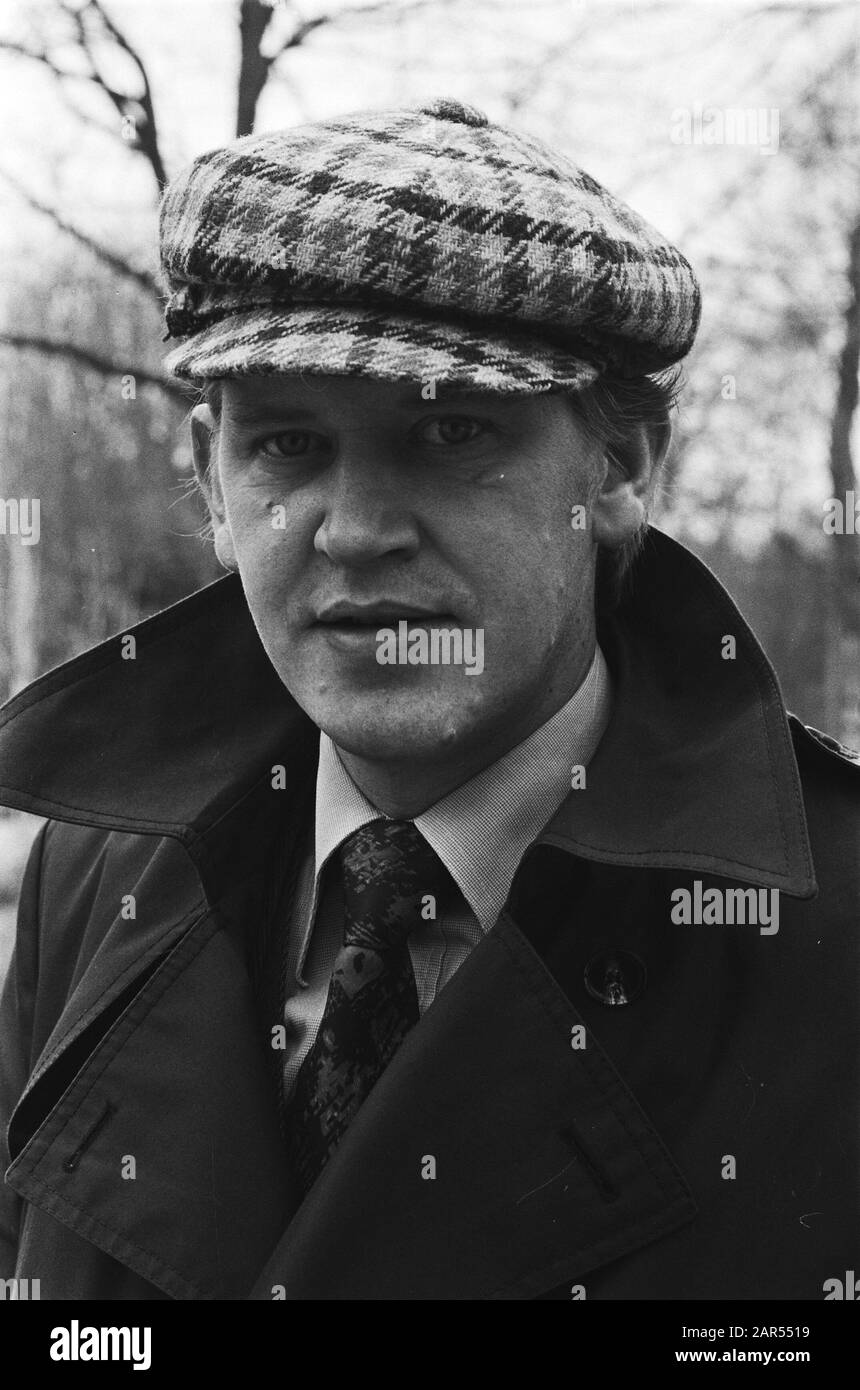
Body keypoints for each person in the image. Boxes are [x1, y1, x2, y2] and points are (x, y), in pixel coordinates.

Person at [0, 97, 857, 1302]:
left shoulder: (822, 935)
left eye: (452, 433)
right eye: (287, 446)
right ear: (208, 472)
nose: (354, 532)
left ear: (617, 467)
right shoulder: (95, 873)